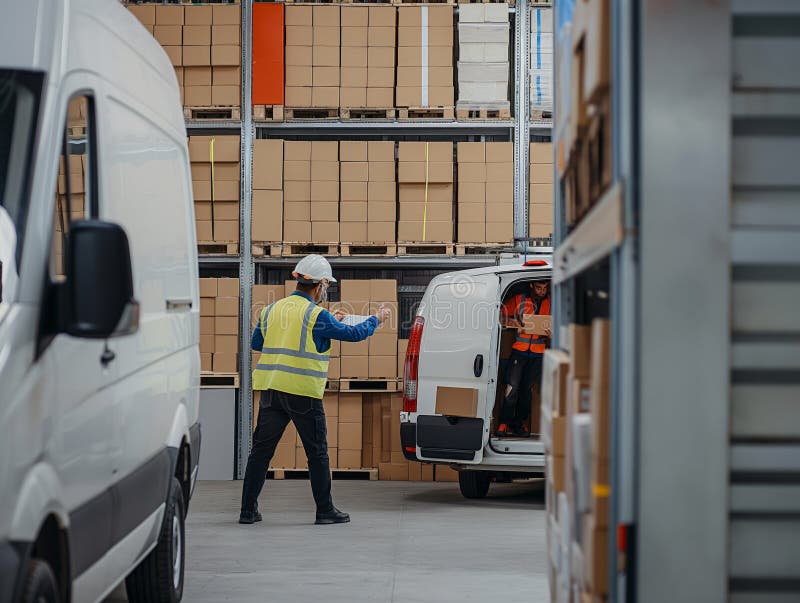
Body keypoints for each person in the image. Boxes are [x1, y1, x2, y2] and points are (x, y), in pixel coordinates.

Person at [239, 254, 391, 525]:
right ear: (320, 285)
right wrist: (376, 319)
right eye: (326, 286)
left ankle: (248, 511)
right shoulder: (315, 315)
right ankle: (325, 510)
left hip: (272, 391)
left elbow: (258, 343)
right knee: (317, 453)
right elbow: (353, 334)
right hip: (303, 393)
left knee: (260, 452)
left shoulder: (271, 310)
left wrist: (326, 323)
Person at [497, 280, 551, 437]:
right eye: (539, 288)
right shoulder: (519, 299)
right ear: (532, 286)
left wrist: (552, 335)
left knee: (526, 391)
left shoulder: (552, 303)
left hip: (538, 353)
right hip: (519, 351)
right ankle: (504, 423)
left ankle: (519, 423)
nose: (542, 291)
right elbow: (499, 315)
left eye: (545, 288)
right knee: (512, 388)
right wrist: (512, 321)